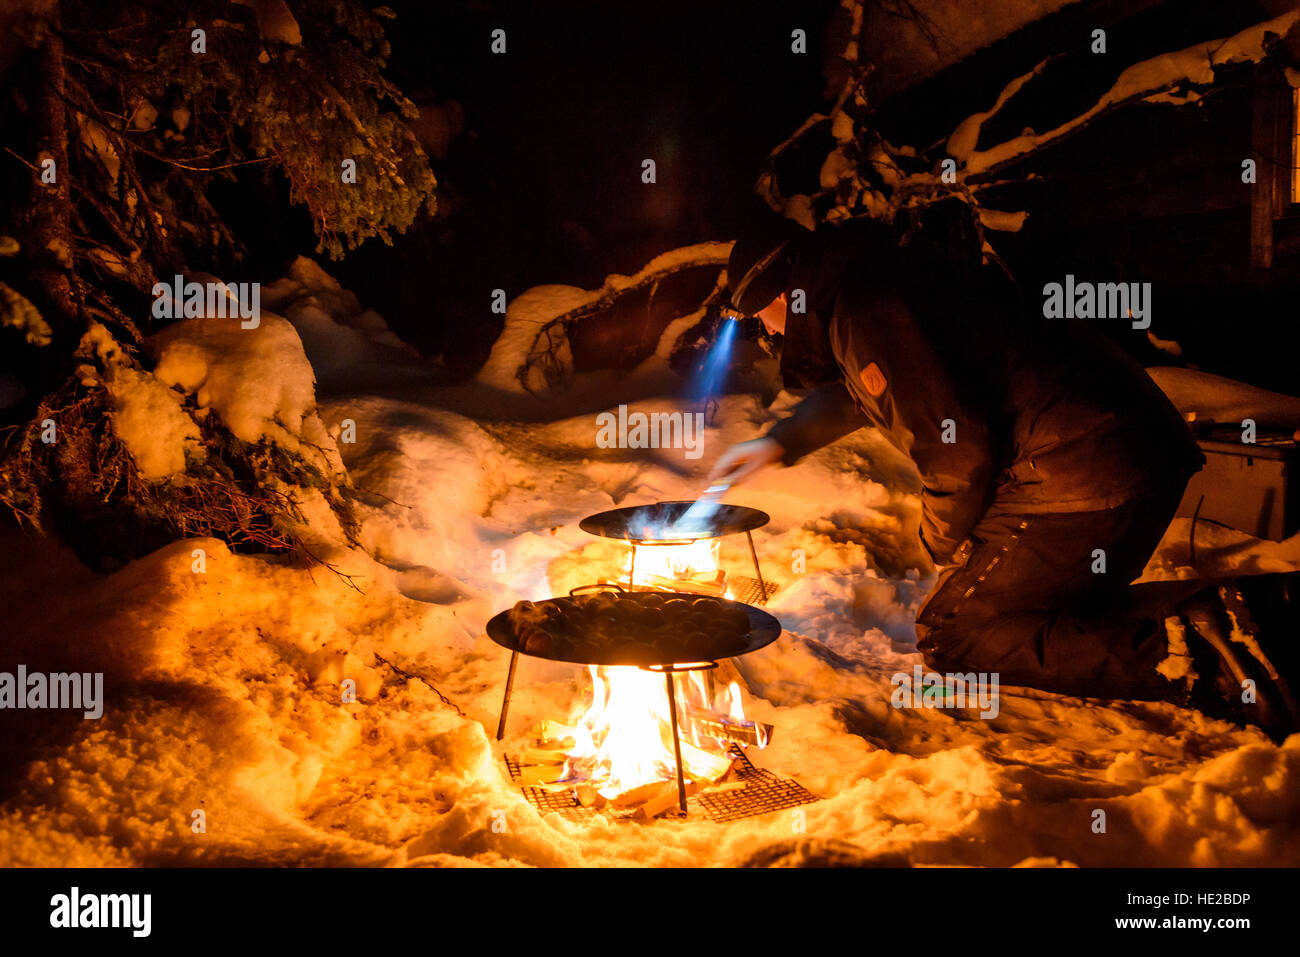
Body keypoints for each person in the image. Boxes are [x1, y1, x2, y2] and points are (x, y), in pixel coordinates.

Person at [710, 215, 1295, 733]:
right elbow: (863, 391)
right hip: (1120, 450)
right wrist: (779, 442)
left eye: (758, 313)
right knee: (1033, 612)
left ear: (782, 292)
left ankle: (1196, 655)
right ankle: (1236, 614)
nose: (766, 330)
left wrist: (937, 538)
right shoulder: (869, 288)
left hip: (1082, 466)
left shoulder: (866, 308)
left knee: (957, 633)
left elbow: (957, 452)